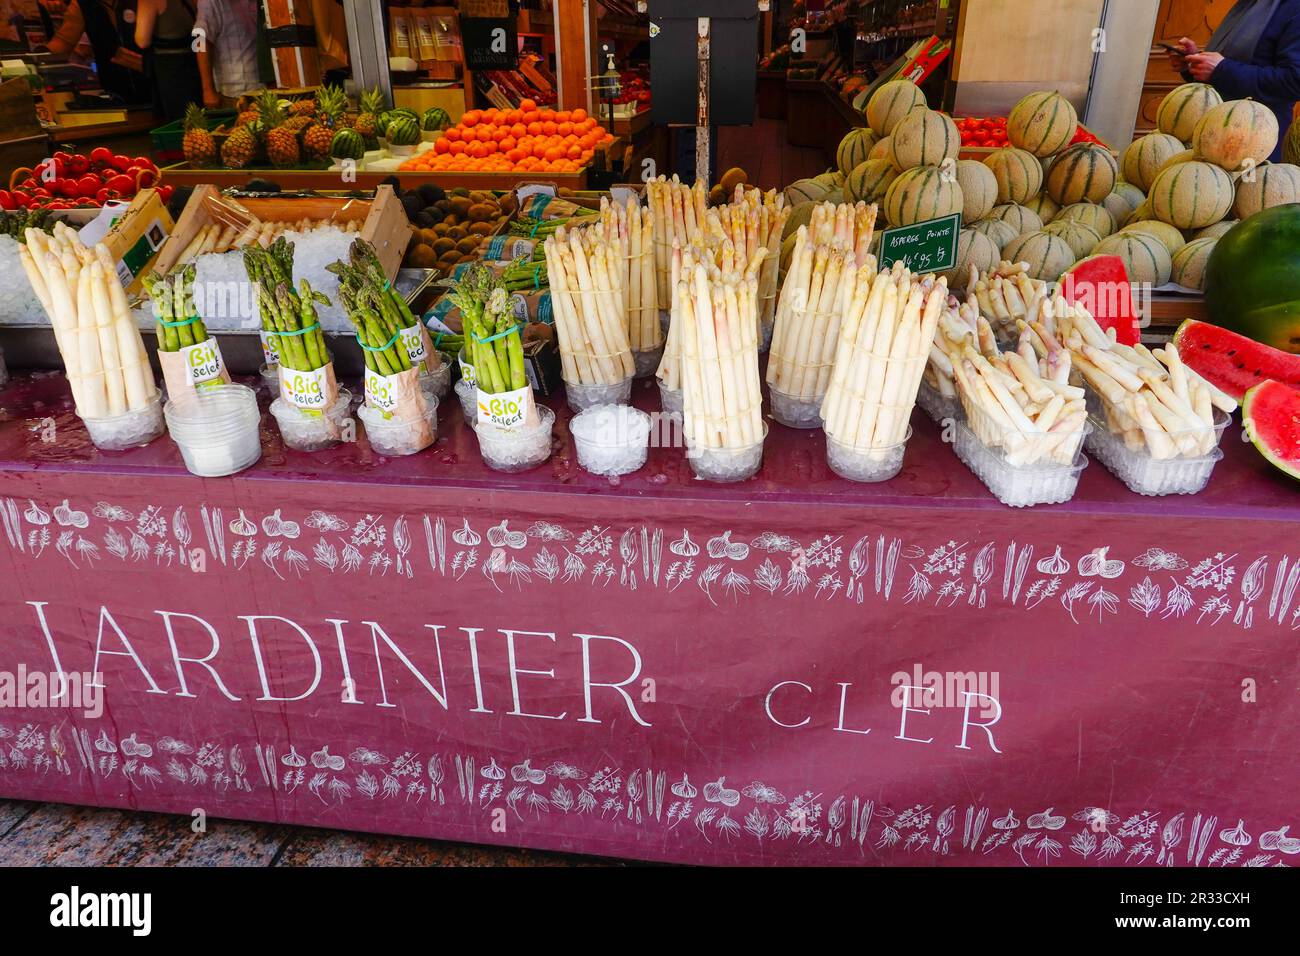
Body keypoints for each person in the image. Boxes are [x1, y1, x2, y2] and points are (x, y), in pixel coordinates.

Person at [1168, 0, 1300, 161]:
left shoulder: (1294, 7)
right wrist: (1193, 63)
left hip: (1253, 147)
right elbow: (1229, 64)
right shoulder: (1247, 5)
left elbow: (1294, 81)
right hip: (1212, 135)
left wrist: (1221, 70)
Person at [44, 0, 152, 103]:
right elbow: (63, 42)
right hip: (116, 94)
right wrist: (35, 59)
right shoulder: (82, 4)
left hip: (157, 87)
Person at [135, 0, 202, 120]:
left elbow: (142, 41)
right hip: (196, 64)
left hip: (170, 70)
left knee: (180, 124)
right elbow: (201, 35)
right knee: (200, 121)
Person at [193, 0, 258, 109]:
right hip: (234, 93)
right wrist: (208, 90)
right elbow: (199, 40)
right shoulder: (209, 2)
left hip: (265, 87)